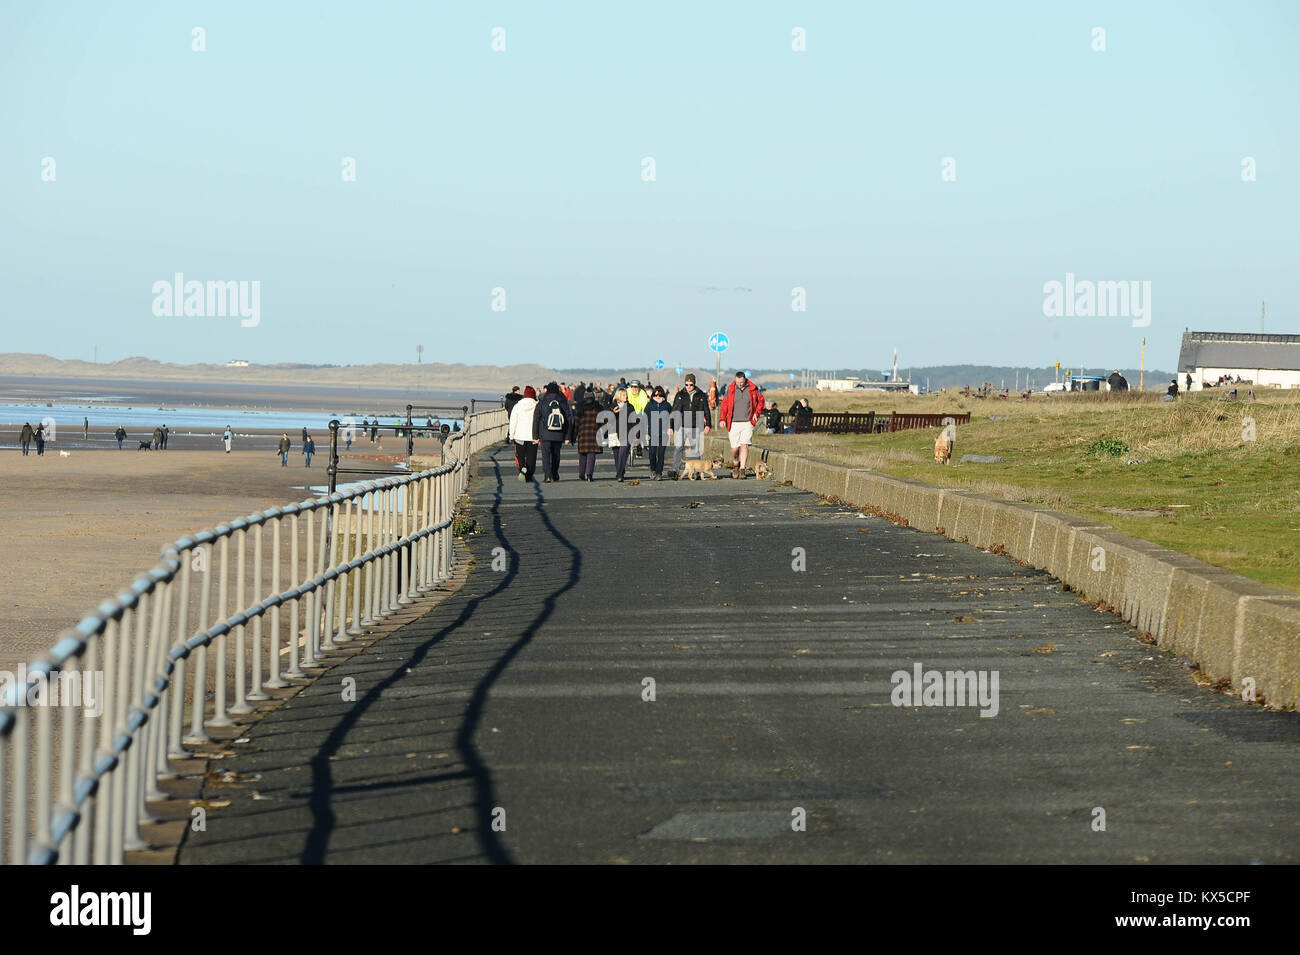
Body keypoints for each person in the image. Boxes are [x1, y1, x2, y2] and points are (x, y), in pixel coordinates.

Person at [718, 370, 765, 478]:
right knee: (735, 449)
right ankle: (736, 464)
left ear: (745, 380)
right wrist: (722, 419)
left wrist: (756, 413)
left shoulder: (753, 388)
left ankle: (742, 469)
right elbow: (724, 404)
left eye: (741, 382)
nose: (739, 384)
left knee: (744, 445)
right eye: (738, 382)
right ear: (735, 380)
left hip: (747, 422)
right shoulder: (730, 389)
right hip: (733, 422)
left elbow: (761, 401)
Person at [669, 373, 712, 475]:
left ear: (694, 384)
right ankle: (675, 470)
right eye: (686, 384)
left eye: (691, 384)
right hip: (681, 426)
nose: (688, 387)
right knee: (679, 447)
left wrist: (708, 425)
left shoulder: (701, 395)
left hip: (695, 426)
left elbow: (706, 411)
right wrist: (671, 426)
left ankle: (697, 471)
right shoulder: (680, 395)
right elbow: (674, 411)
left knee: (695, 449)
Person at [533, 382, 571, 483]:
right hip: (559, 433)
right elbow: (568, 419)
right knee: (556, 455)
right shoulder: (562, 401)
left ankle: (547, 475)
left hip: (545, 433)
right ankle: (555, 474)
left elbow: (536, 418)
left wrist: (535, 435)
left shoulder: (542, 401)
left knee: (545, 455)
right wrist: (567, 436)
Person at [508, 385, 539, 482]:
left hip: (519, 436)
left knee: (520, 455)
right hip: (533, 437)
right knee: (531, 457)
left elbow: (513, 421)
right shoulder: (537, 406)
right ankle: (529, 474)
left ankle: (522, 468)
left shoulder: (517, 406)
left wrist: (511, 435)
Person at [572, 385, 602, 481]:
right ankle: (589, 474)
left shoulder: (580, 408)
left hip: (583, 434)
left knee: (583, 455)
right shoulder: (598, 408)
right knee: (591, 455)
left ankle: (581, 474)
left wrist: (573, 435)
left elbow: (576, 423)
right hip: (594, 434)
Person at [644, 386, 672, 480]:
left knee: (661, 454)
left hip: (664, 433)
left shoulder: (667, 405)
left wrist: (671, 428)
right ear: (653, 395)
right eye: (656, 395)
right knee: (652, 453)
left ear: (663, 395)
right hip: (652, 432)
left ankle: (659, 473)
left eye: (660, 394)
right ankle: (653, 470)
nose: (658, 396)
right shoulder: (649, 405)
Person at [609, 387, 635, 482]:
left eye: (626, 395)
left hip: (626, 433)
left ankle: (619, 475)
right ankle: (620, 471)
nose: (626, 396)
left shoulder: (630, 407)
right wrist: (613, 413)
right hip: (614, 433)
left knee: (623, 454)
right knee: (617, 455)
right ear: (619, 396)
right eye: (624, 395)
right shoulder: (612, 406)